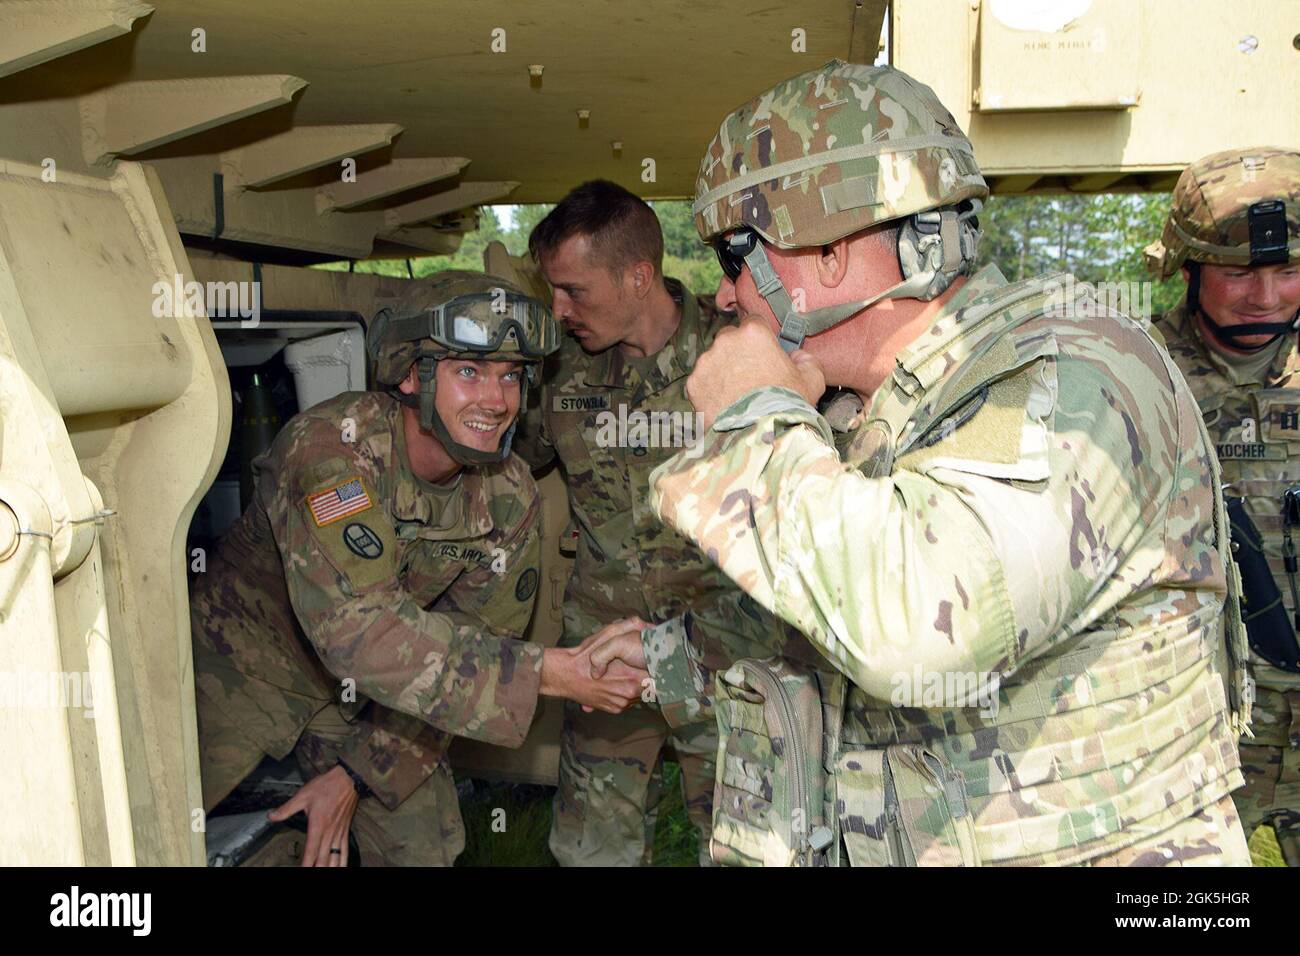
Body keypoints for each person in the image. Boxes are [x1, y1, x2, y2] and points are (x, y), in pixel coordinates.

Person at [586, 60, 1254, 866]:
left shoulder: (1075, 375)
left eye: (736, 258)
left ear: (826, 251)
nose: (726, 297)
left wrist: (752, 417)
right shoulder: (876, 405)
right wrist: (668, 658)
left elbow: (921, 627)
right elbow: (825, 617)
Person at [191, 271, 648, 867]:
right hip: (241, 668)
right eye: (468, 371)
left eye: (512, 375)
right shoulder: (331, 452)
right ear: (411, 374)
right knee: (149, 831)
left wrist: (355, 778)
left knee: (424, 847)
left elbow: (475, 644)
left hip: (381, 692)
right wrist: (551, 674)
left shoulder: (508, 493)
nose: (496, 400)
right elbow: (361, 632)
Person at [516, 180, 790, 866]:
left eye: (574, 289)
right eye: (552, 289)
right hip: (605, 666)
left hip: (724, 660)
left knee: (742, 850)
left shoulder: (743, 362)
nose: (559, 308)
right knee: (588, 853)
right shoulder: (559, 377)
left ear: (639, 277)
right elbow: (505, 464)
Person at [1147, 146, 1300, 866]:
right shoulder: (1136, 375)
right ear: (1188, 271)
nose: (1266, 296)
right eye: (1240, 274)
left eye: (1288, 272)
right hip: (1200, 720)